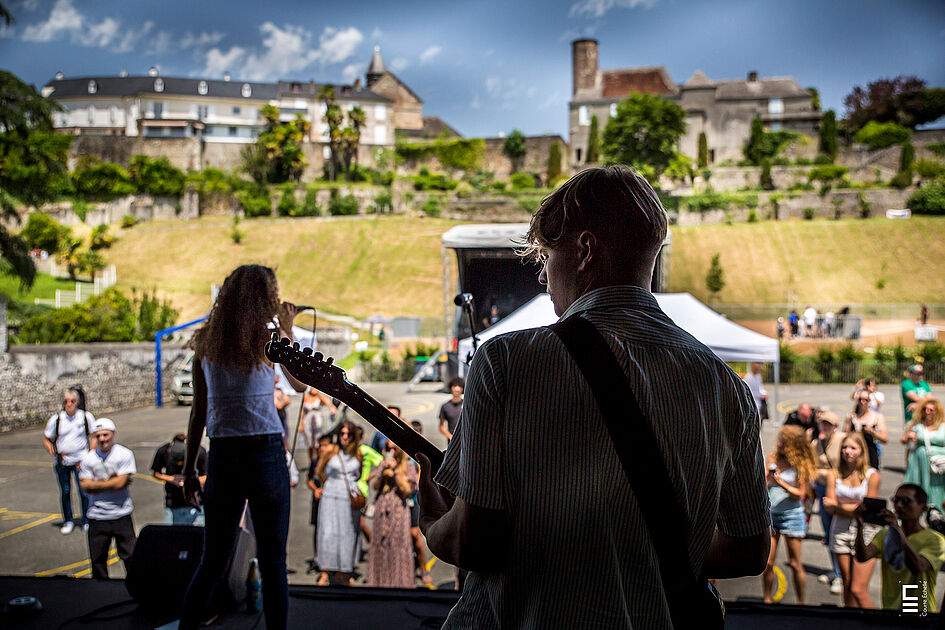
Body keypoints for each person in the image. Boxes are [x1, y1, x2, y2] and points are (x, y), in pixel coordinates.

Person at [416, 166, 770, 629]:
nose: (543, 277)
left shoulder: (506, 361)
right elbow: (749, 549)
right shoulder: (725, 385)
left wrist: (431, 523)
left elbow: (473, 543)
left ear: (584, 251)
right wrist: (637, 549)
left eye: (547, 256)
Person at [178, 264, 306, 630]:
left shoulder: (207, 342)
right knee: (272, 564)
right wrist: (286, 328)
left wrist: (189, 470)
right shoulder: (268, 338)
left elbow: (198, 412)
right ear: (266, 297)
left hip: (223, 454)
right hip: (265, 451)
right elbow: (298, 385)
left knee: (212, 561)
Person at [855, 483, 945, 613]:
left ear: (923, 508)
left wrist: (897, 530)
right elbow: (863, 557)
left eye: (906, 501)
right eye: (896, 500)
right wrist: (859, 526)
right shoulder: (886, 534)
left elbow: (918, 567)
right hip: (890, 610)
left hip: (920, 612)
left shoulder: (936, 540)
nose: (899, 505)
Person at [824, 432, 880, 609]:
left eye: (852, 448)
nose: (847, 452)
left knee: (858, 588)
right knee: (847, 582)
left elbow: (868, 509)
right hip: (839, 529)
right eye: (844, 447)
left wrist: (839, 507)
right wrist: (854, 508)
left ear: (861, 451)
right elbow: (827, 505)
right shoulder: (834, 474)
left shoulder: (872, 475)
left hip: (865, 530)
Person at [762, 425, 817, 604]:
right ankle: (767, 599)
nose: (780, 444)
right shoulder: (773, 457)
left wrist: (780, 482)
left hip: (792, 515)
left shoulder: (803, 464)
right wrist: (768, 479)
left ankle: (801, 601)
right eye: (780, 440)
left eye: (784, 442)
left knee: (795, 564)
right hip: (772, 513)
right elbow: (763, 484)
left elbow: (800, 494)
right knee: (768, 563)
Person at [78, 418, 137, 580]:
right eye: (98, 436)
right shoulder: (88, 459)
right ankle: (101, 591)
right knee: (98, 561)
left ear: (113, 434)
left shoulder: (124, 454)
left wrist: (96, 483)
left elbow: (120, 483)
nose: (102, 439)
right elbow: (85, 486)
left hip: (121, 515)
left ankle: (132, 588)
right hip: (97, 517)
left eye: (105, 435)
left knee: (130, 557)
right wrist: (112, 481)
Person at [313, 419, 364, 586]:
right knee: (328, 533)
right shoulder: (331, 451)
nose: (345, 437)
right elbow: (318, 471)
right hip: (331, 496)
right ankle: (325, 571)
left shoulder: (357, 453)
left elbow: (359, 473)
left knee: (348, 534)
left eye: (349, 434)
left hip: (349, 497)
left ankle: (344, 570)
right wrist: (324, 486)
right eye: (342, 433)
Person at [43, 388, 96, 534]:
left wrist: (88, 456)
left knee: (84, 492)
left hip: (81, 461)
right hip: (63, 463)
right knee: (65, 492)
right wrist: (54, 453)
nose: (69, 404)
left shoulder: (85, 417)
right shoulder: (57, 419)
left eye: (72, 401)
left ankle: (86, 520)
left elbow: (94, 437)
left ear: (77, 402)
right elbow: (47, 438)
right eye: (66, 401)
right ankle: (68, 520)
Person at [367, 441, 419, 588]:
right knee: (380, 545)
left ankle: (399, 583)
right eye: (388, 448)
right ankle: (379, 583)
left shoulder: (407, 465)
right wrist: (381, 471)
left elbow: (408, 490)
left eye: (394, 448)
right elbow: (375, 486)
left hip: (398, 510)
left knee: (398, 546)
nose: (391, 451)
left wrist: (395, 471)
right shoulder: (383, 464)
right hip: (382, 508)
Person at [811, 411, 845, 594]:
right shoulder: (816, 443)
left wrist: (824, 473)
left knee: (839, 531)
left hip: (839, 490)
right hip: (823, 489)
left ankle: (842, 574)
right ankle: (836, 569)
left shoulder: (842, 440)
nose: (824, 427)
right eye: (822, 424)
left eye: (828, 424)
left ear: (835, 426)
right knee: (828, 531)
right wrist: (823, 474)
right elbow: (810, 468)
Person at [151, 433, 208, 526]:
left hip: (196, 503)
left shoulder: (200, 452)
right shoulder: (163, 451)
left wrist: (190, 481)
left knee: (198, 535)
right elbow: (156, 473)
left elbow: (206, 476)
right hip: (173, 503)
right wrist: (171, 479)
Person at [903, 396, 945, 509]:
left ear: (937, 412)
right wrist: (909, 436)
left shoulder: (943, 426)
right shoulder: (917, 425)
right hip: (920, 464)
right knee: (920, 488)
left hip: (939, 466)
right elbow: (905, 442)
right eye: (925, 409)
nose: (928, 412)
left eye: (931, 410)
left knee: (938, 491)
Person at [407, 419, 432, 586]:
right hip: (403, 498)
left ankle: (423, 569)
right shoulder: (402, 451)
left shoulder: (423, 454)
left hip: (416, 499)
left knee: (416, 535)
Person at [306, 434, 333, 571]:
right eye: (320, 445)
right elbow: (309, 480)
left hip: (331, 500)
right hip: (318, 501)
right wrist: (316, 490)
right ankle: (318, 556)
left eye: (325, 445)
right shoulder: (315, 462)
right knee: (318, 529)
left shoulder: (334, 462)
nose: (323, 448)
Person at [844, 389, 888, 469]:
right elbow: (844, 436)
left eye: (865, 400)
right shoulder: (851, 416)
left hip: (870, 454)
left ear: (869, 401)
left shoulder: (877, 417)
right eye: (860, 399)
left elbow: (884, 439)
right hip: (854, 455)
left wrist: (872, 432)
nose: (862, 402)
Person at [300, 387, 337, 461]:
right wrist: (301, 424)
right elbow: (303, 411)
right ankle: (311, 462)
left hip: (318, 421)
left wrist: (319, 394)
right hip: (308, 422)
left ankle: (318, 460)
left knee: (318, 442)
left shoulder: (319, 398)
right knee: (309, 442)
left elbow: (327, 403)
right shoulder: (306, 397)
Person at [438, 377, 464, 443]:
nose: (457, 389)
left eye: (460, 386)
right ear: (451, 388)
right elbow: (441, 426)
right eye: (455, 386)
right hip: (452, 442)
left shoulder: (467, 405)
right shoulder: (445, 406)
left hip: (466, 440)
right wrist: (450, 437)